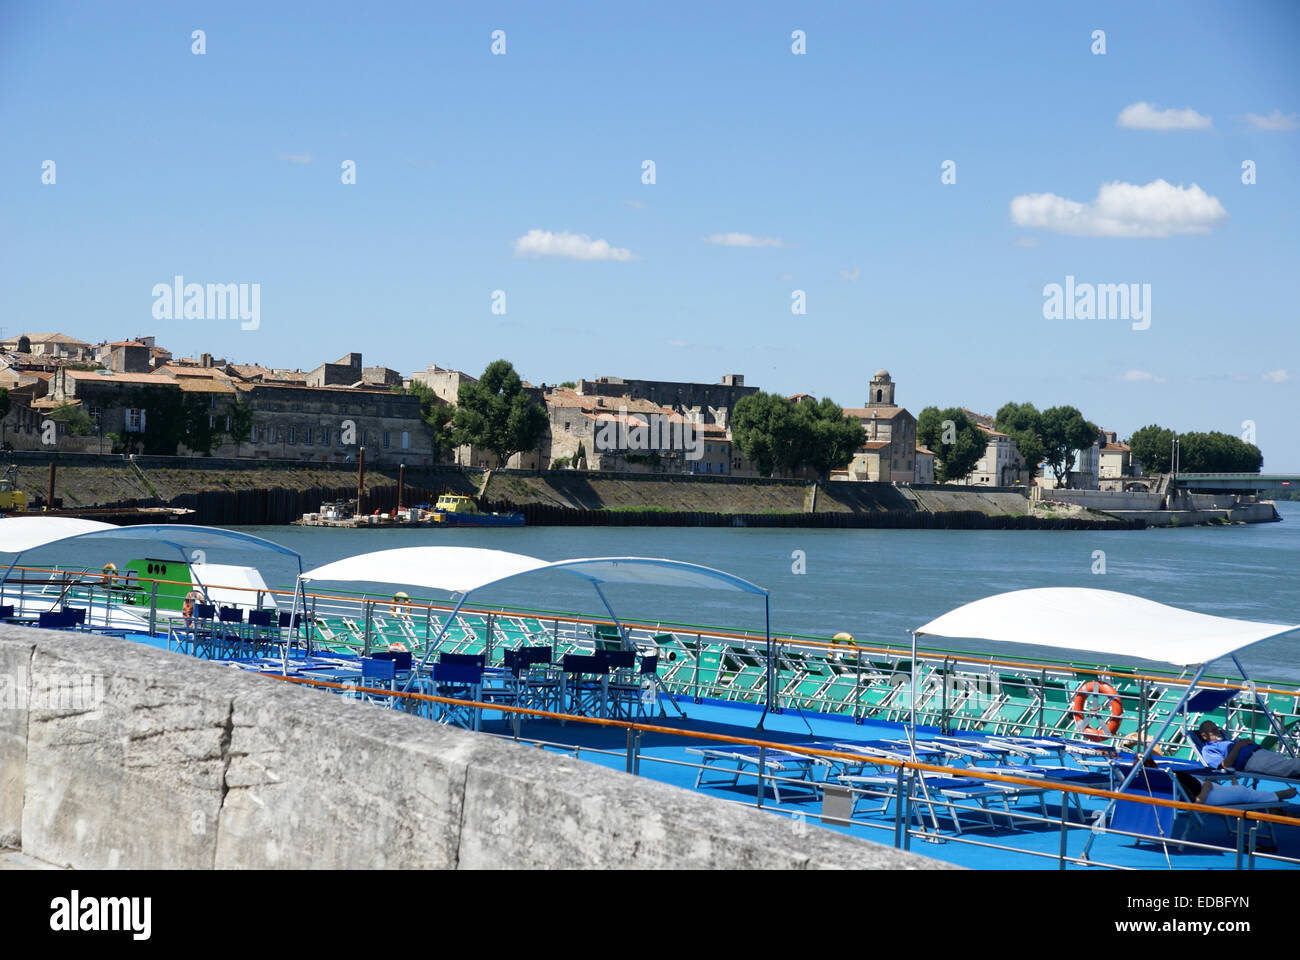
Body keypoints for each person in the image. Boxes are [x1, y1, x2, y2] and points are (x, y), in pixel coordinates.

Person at [1197, 721, 1300, 779]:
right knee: (1291, 766)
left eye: (1217, 728)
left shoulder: (1225, 740)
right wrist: (1239, 746)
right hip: (1251, 761)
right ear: (1204, 736)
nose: (1218, 731)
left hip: (1259, 753)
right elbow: (1224, 765)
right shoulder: (1208, 749)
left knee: (1288, 764)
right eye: (1213, 730)